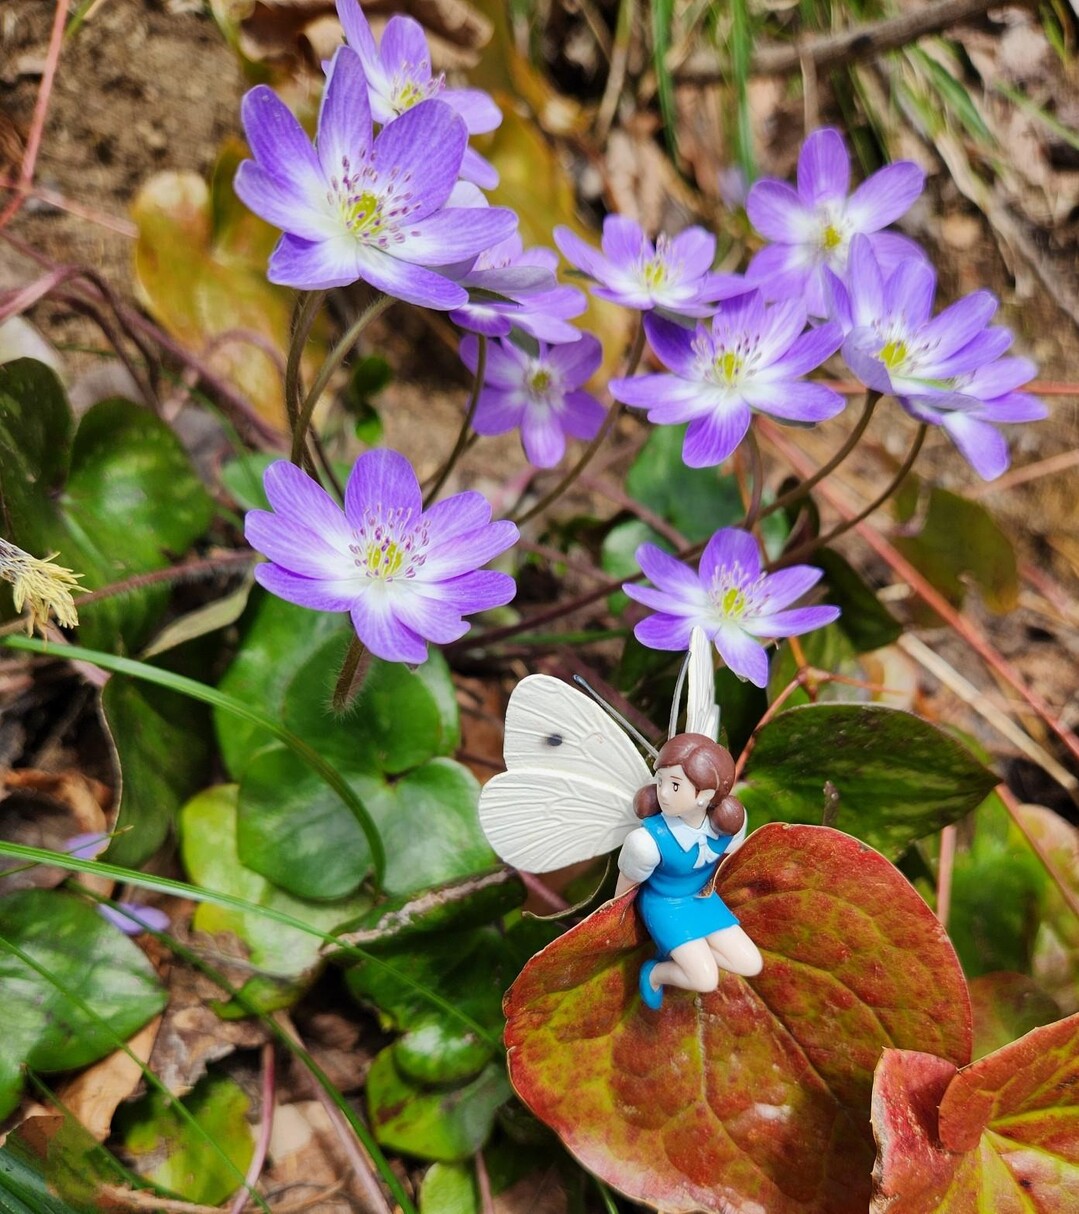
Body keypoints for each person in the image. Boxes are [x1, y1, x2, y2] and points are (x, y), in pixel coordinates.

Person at [614, 732, 763, 1009]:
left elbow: (727, 862)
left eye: (674, 785)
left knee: (750, 962)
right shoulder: (647, 841)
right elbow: (623, 889)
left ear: (704, 795)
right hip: (664, 905)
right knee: (705, 980)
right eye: (660, 782)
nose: (663, 793)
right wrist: (617, 920)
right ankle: (655, 973)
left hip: (703, 899)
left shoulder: (729, 825)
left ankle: (688, 952)